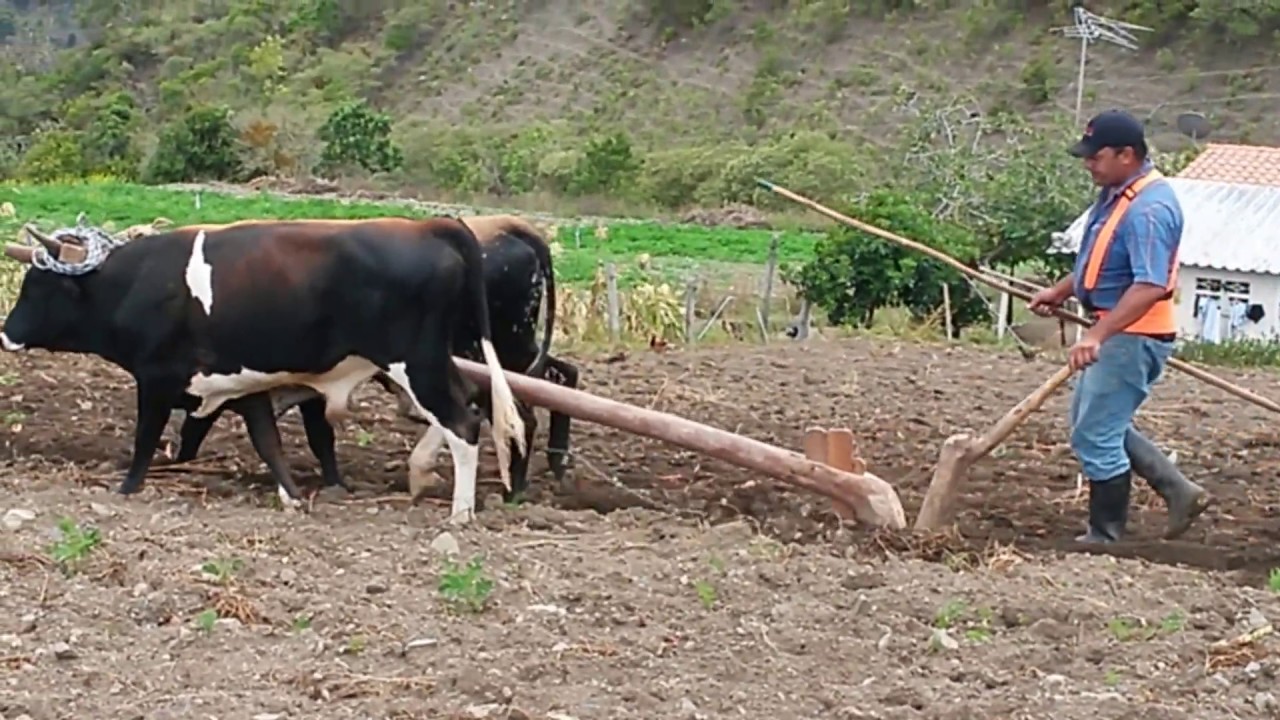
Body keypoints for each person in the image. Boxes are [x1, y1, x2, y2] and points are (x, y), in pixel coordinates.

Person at [1028, 109, 1210, 544]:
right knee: (1094, 423)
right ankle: (1178, 489)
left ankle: (1105, 535)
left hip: (1133, 334)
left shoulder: (1149, 209)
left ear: (1127, 155)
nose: (1089, 164)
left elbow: (1149, 285)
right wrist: (1061, 291)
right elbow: (1102, 263)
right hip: (1117, 328)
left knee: (1095, 432)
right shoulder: (1117, 195)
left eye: (1097, 157)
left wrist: (1097, 335)